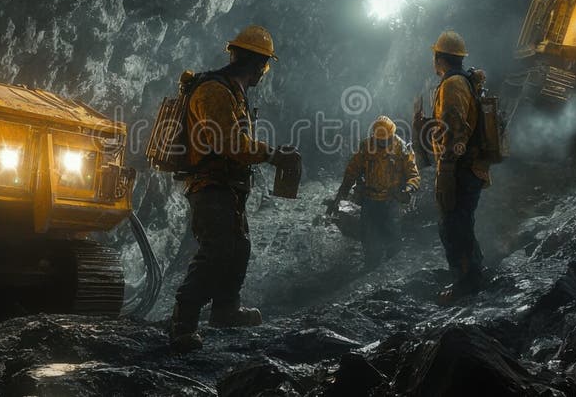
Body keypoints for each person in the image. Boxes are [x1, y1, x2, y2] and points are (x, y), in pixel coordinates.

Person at [169, 24, 300, 353]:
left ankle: (225, 310)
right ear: (259, 64)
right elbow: (228, 142)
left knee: (238, 248)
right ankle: (183, 323)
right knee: (216, 251)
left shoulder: (232, 91)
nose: (264, 72)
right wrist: (272, 154)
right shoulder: (214, 91)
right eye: (265, 65)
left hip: (228, 186)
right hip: (210, 185)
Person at [415, 30, 491, 305]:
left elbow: (456, 128)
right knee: (462, 224)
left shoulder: (452, 85)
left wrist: (446, 168)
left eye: (434, 57)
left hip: (459, 169)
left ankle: (465, 287)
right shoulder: (462, 82)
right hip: (466, 166)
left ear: (439, 58)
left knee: (452, 227)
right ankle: (474, 276)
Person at [329, 116, 419, 268]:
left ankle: (392, 268)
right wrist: (340, 195)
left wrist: (408, 189)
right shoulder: (367, 147)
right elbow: (352, 171)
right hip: (370, 199)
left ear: (392, 135)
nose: (383, 143)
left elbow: (413, 174)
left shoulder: (402, 148)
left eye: (386, 140)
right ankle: (372, 264)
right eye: (380, 140)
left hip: (391, 199)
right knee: (369, 235)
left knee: (393, 234)